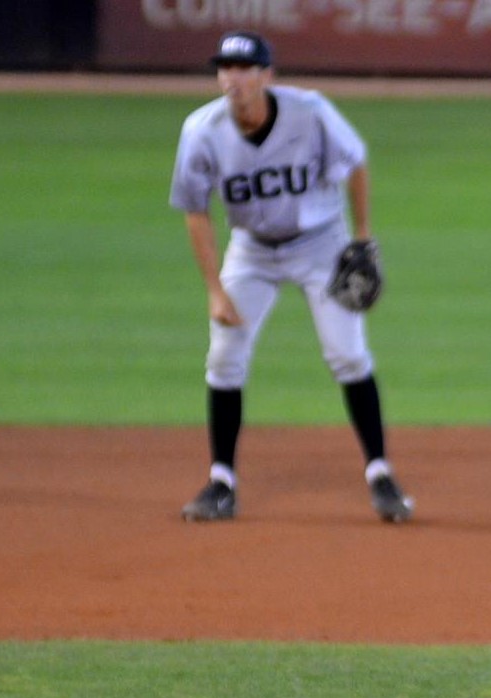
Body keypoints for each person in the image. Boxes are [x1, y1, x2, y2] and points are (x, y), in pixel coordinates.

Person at [169, 30, 414, 523]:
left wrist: (360, 238)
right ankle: (221, 482)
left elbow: (355, 162)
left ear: (267, 75)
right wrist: (215, 289)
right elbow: (195, 210)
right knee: (224, 359)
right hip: (252, 252)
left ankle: (381, 474)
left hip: (320, 245)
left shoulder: (311, 112)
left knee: (348, 354)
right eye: (226, 69)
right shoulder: (201, 130)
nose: (234, 79)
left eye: (244, 69)